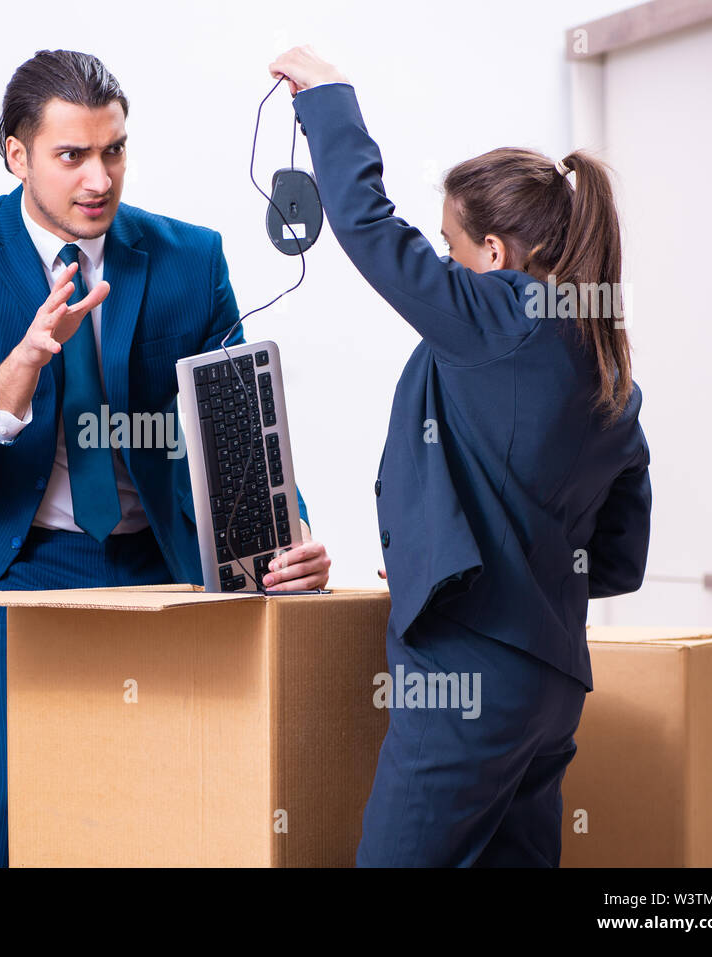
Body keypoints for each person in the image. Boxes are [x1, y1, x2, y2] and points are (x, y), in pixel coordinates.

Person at [0, 49, 332, 867]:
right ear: (17, 155)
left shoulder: (189, 258)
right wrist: (25, 359)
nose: (99, 179)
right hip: (8, 566)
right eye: (72, 155)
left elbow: (236, 425)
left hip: (154, 563)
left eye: (114, 150)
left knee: (170, 810)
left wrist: (290, 531)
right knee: (6, 814)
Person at [268, 45, 651, 866]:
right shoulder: (608, 367)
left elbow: (368, 227)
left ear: (495, 255)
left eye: (450, 248)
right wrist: (454, 561)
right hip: (551, 687)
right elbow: (616, 557)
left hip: (468, 682)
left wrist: (329, 97)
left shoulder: (497, 317)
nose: (441, 266)